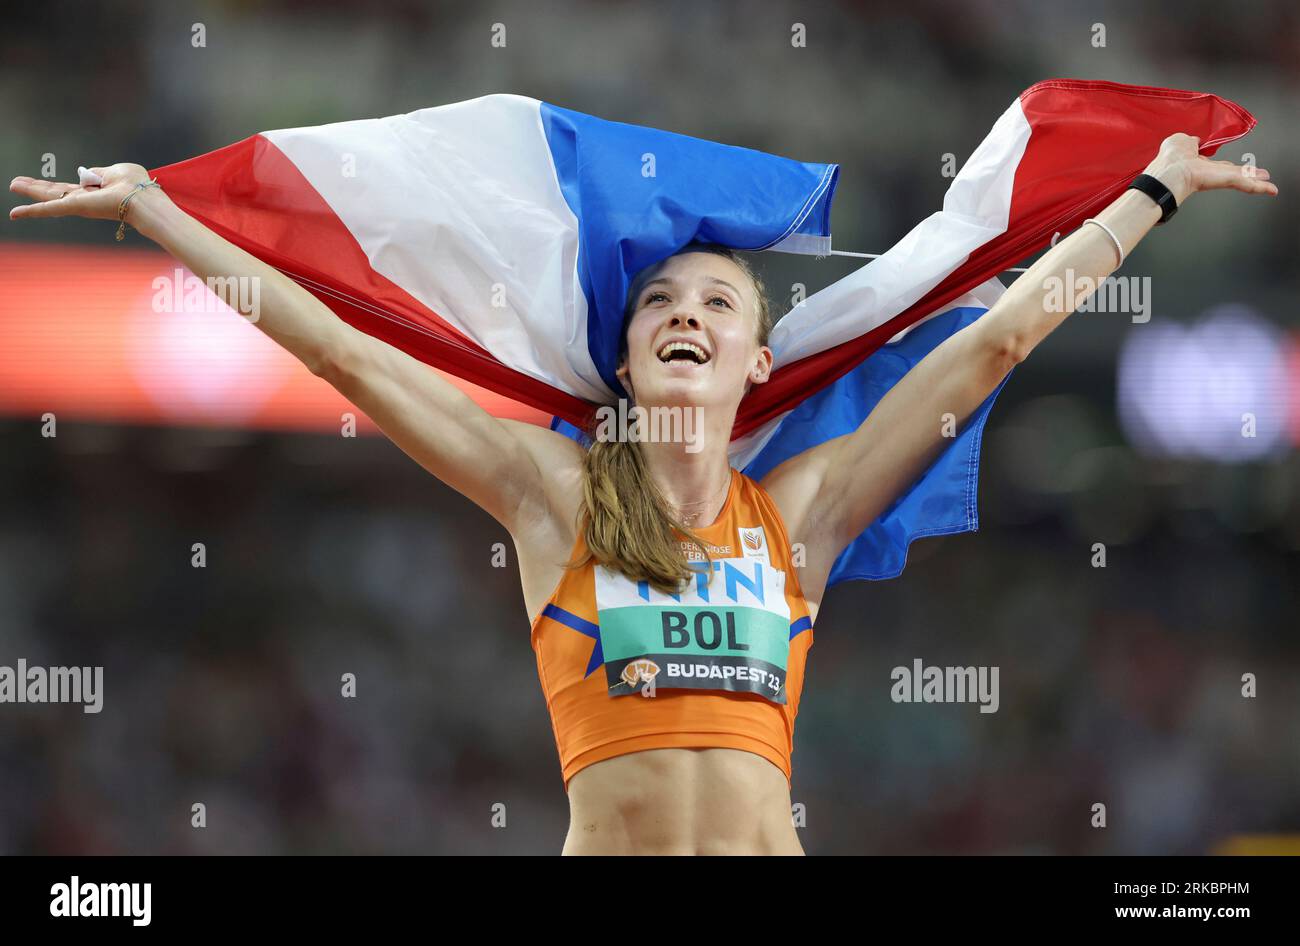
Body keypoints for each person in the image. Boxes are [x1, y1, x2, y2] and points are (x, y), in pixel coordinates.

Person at [8, 133, 1276, 855]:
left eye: (716, 304)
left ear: (757, 359)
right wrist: (164, 215)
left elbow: (991, 346)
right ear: (623, 357)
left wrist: (1150, 190)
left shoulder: (803, 512)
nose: (683, 314)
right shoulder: (550, 497)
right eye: (660, 304)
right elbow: (348, 355)